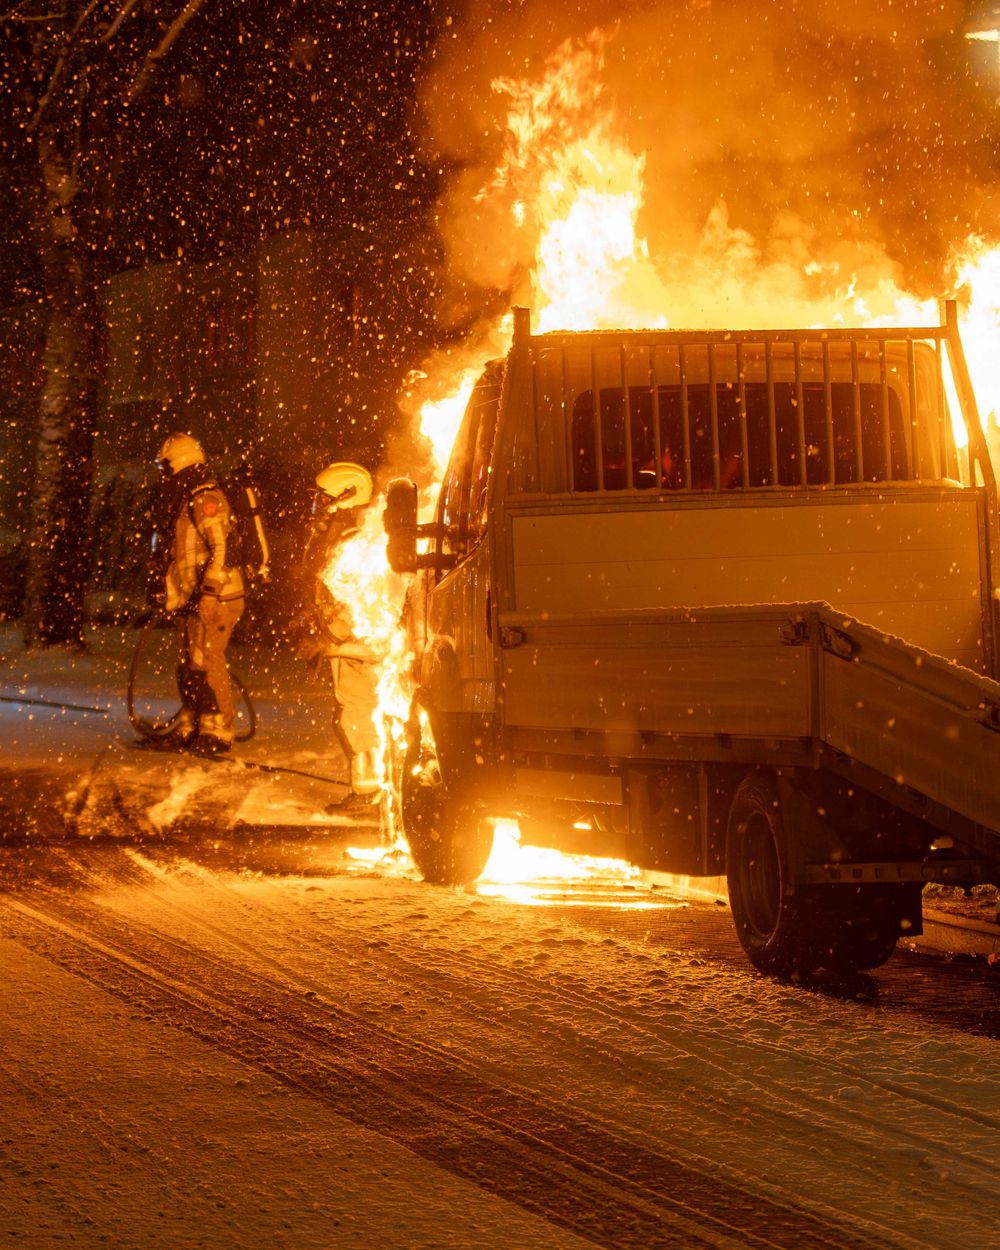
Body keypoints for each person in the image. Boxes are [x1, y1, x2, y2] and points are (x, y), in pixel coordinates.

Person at [146, 432, 245, 755]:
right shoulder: (186, 499)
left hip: (218, 598)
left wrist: (209, 594)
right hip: (195, 599)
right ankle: (193, 724)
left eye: (166, 468)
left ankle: (218, 730)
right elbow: (184, 555)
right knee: (190, 662)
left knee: (206, 661)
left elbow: (221, 548)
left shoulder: (205, 499)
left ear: (179, 464)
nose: (164, 476)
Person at [298, 461, 381, 812]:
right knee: (350, 716)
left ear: (346, 497)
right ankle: (370, 792)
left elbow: (360, 601)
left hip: (357, 650)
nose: (318, 509)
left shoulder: (356, 542)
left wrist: (327, 637)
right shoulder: (351, 538)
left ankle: (371, 794)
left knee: (357, 718)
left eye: (324, 500)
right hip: (349, 647)